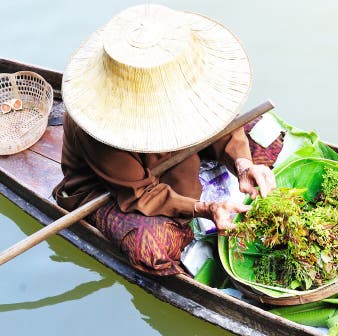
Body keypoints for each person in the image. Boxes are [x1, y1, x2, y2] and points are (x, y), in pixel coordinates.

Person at [53, 4, 276, 276]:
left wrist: (243, 165)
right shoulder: (98, 127)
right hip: (119, 189)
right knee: (151, 246)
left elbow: (222, 122)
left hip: (181, 153)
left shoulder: (188, 81)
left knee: (266, 137)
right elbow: (141, 193)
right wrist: (205, 208)